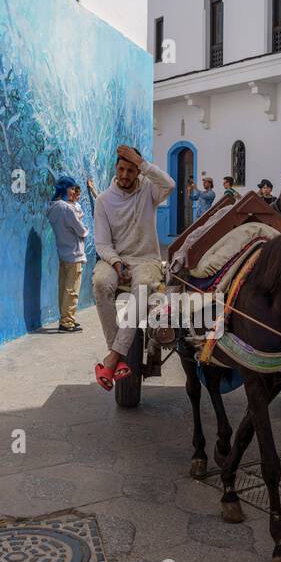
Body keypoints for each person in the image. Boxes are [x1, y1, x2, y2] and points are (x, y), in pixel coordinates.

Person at [92, 144, 174, 389]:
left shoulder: (149, 190)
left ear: (138, 170)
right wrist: (116, 263)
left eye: (131, 170)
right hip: (115, 257)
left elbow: (170, 185)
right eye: (122, 169)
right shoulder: (104, 200)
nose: (125, 175)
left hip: (146, 259)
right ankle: (115, 352)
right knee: (100, 283)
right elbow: (102, 243)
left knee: (141, 289)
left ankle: (114, 357)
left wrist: (143, 163)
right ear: (115, 169)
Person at [46, 176, 88, 333]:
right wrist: (85, 230)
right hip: (75, 253)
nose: (73, 192)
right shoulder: (67, 208)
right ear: (64, 189)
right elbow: (81, 230)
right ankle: (67, 322)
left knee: (64, 288)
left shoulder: (52, 207)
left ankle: (66, 317)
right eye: (71, 188)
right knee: (72, 290)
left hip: (63, 252)